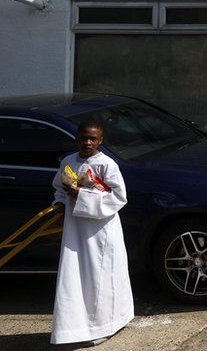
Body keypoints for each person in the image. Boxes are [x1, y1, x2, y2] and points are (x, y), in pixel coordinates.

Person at [51, 120, 133, 346]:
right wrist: (59, 202)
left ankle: (106, 324)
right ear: (76, 138)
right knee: (75, 277)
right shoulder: (68, 161)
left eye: (92, 139)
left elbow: (119, 198)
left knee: (101, 277)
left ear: (100, 141)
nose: (87, 142)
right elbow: (59, 187)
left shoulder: (107, 165)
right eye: (83, 138)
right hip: (75, 229)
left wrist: (82, 195)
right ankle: (76, 327)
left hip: (101, 232)